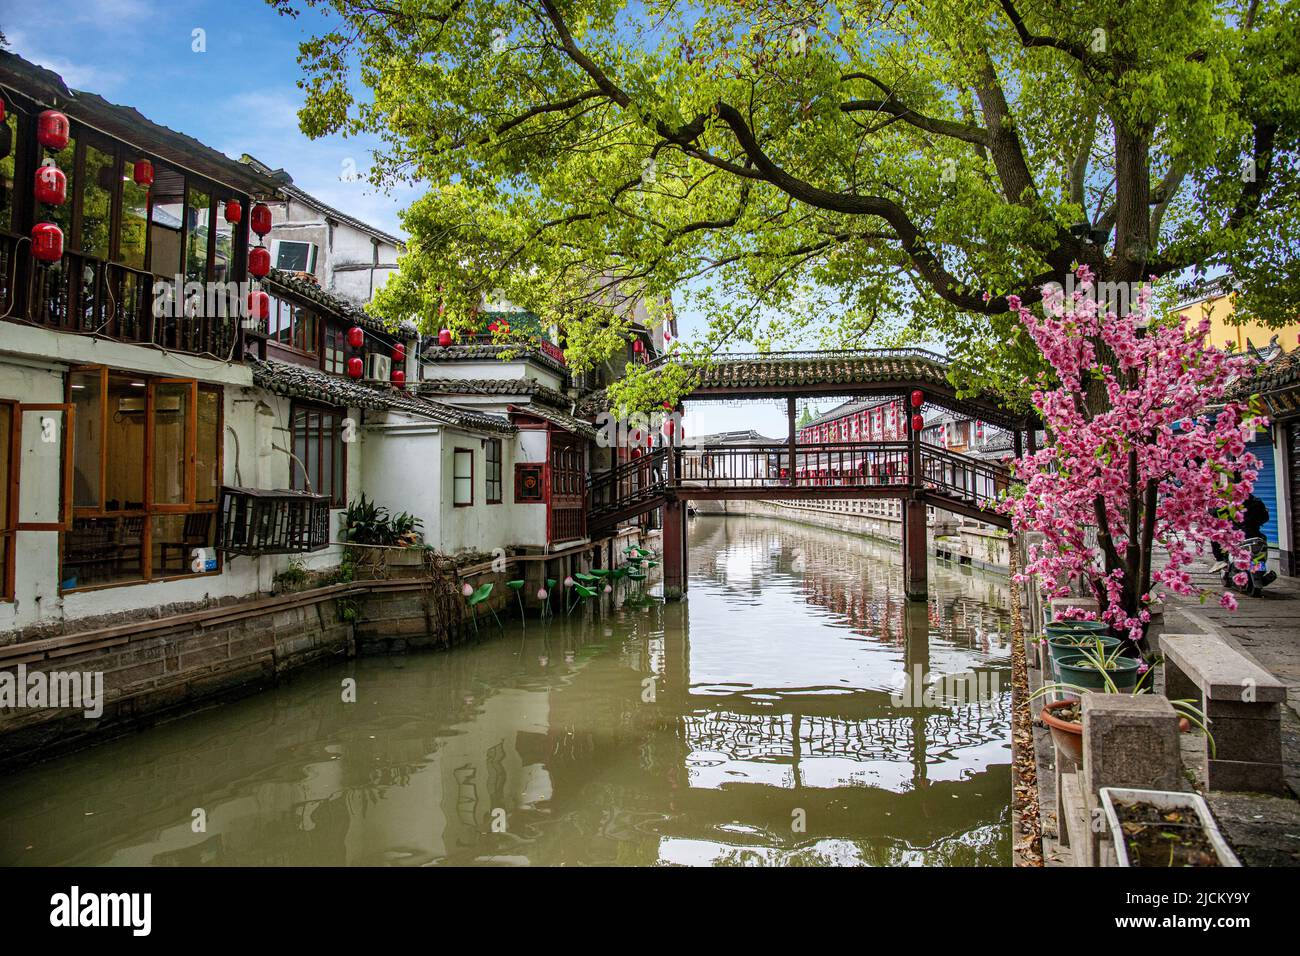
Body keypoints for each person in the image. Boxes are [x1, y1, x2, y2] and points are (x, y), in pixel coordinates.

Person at [1211, 493, 1270, 572]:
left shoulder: (1229, 502)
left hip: (1237, 535)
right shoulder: (1257, 501)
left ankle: (1220, 560)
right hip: (1255, 534)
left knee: (1215, 536)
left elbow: (1215, 512)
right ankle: (1259, 569)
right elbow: (1265, 518)